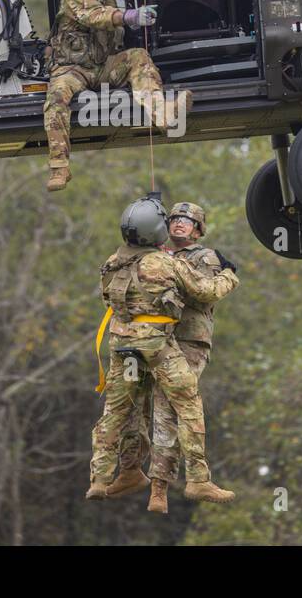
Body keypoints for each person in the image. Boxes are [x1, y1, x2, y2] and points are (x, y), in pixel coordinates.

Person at [87, 196, 237, 504]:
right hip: (156, 344)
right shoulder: (166, 261)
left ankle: (100, 480)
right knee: (186, 404)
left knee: (117, 411)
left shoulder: (114, 261)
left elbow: (107, 298)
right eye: (173, 220)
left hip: (122, 343)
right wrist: (229, 274)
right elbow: (206, 291)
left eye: (187, 221)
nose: (179, 224)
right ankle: (197, 479)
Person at [43, 0, 192, 192]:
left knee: (138, 56)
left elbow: (110, 25)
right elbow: (95, 17)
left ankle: (163, 114)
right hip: (72, 70)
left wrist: (131, 23)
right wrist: (128, 16)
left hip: (103, 67)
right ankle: (60, 167)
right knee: (56, 97)